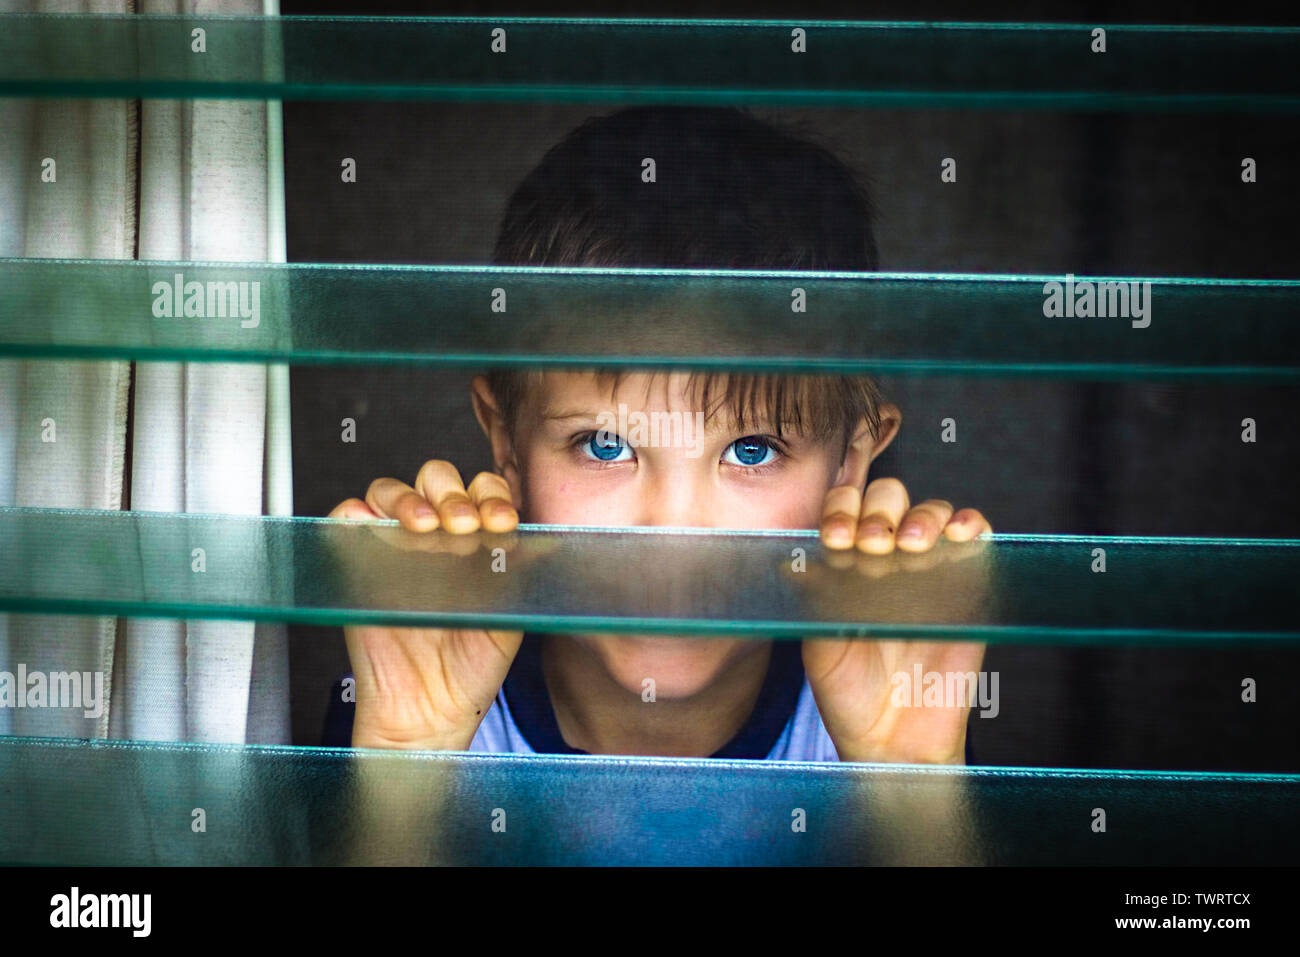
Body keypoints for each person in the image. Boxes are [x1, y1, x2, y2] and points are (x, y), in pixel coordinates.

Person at [324, 105, 991, 763]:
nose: (674, 538)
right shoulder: (413, 682)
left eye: (751, 449)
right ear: (507, 445)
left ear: (849, 463)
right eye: (605, 445)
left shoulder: (893, 703)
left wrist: (913, 787)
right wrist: (404, 761)